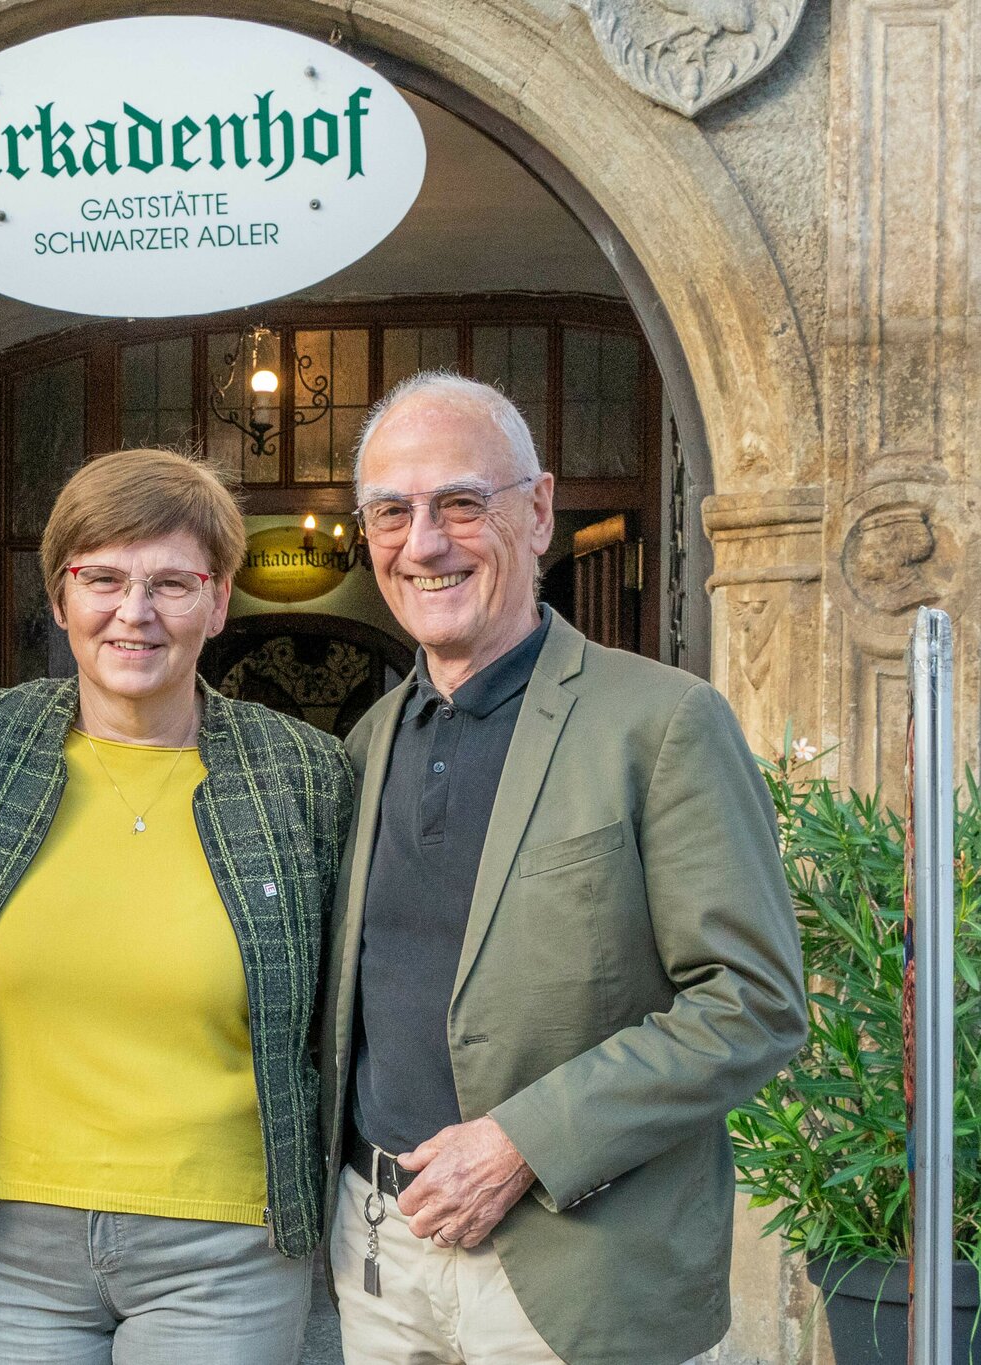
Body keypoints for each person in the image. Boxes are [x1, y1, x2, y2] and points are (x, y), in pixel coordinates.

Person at [319, 372, 808, 1365]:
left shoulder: (660, 721)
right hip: (378, 1255)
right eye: (390, 513)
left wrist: (518, 1145)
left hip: (579, 1269)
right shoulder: (365, 743)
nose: (423, 543)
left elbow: (750, 1001)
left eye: (460, 502)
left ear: (535, 510)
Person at [0, 448, 353, 1365]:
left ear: (219, 602)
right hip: (10, 1233)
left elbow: (352, 997)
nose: (134, 612)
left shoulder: (300, 772)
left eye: (172, 582)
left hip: (227, 1241)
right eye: (102, 578)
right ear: (60, 599)